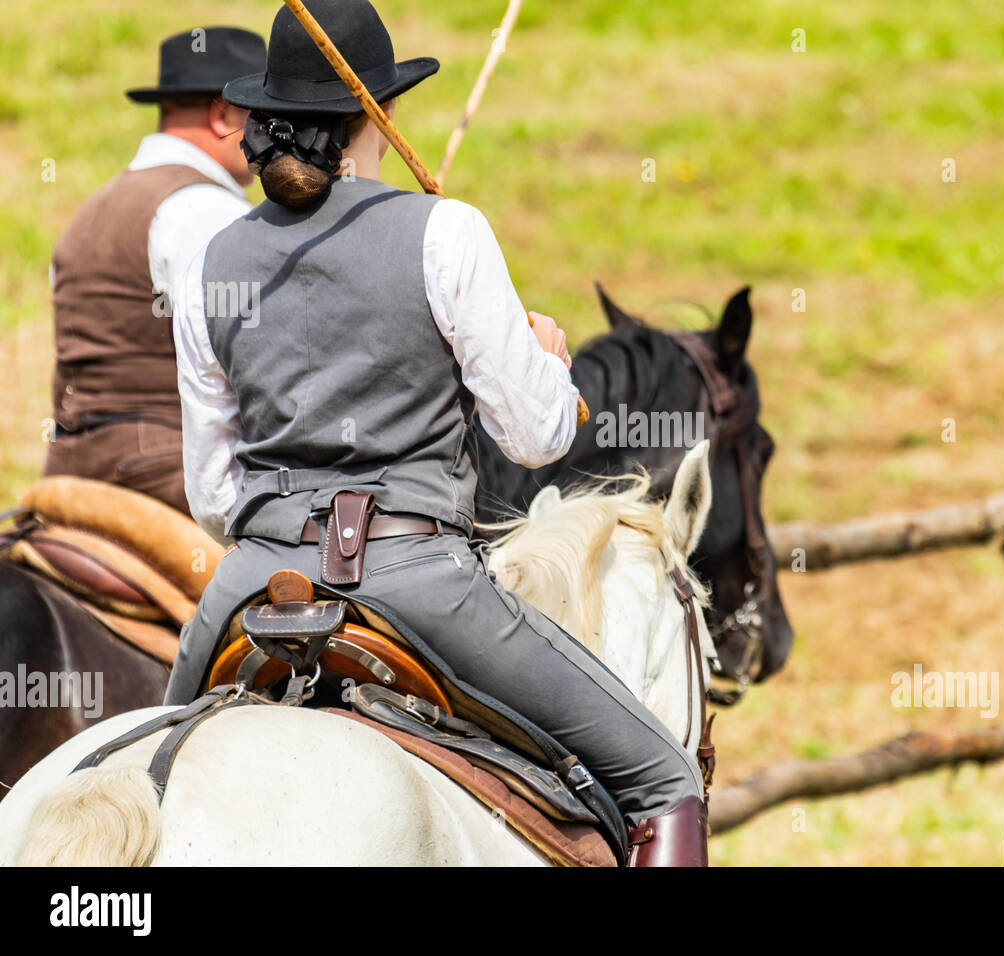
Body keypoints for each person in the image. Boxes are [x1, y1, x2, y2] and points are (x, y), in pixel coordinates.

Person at [161, 0, 707, 866]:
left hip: (253, 582)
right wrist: (548, 370)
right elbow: (533, 440)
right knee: (664, 775)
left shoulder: (207, 267)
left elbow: (216, 497)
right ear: (378, 114)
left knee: (150, 772)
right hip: (419, 584)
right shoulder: (445, 234)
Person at [44, 26, 267, 514]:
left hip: (68, 467)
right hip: (160, 474)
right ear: (223, 115)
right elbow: (256, 363)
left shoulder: (94, 206)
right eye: (262, 114)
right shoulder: (207, 211)